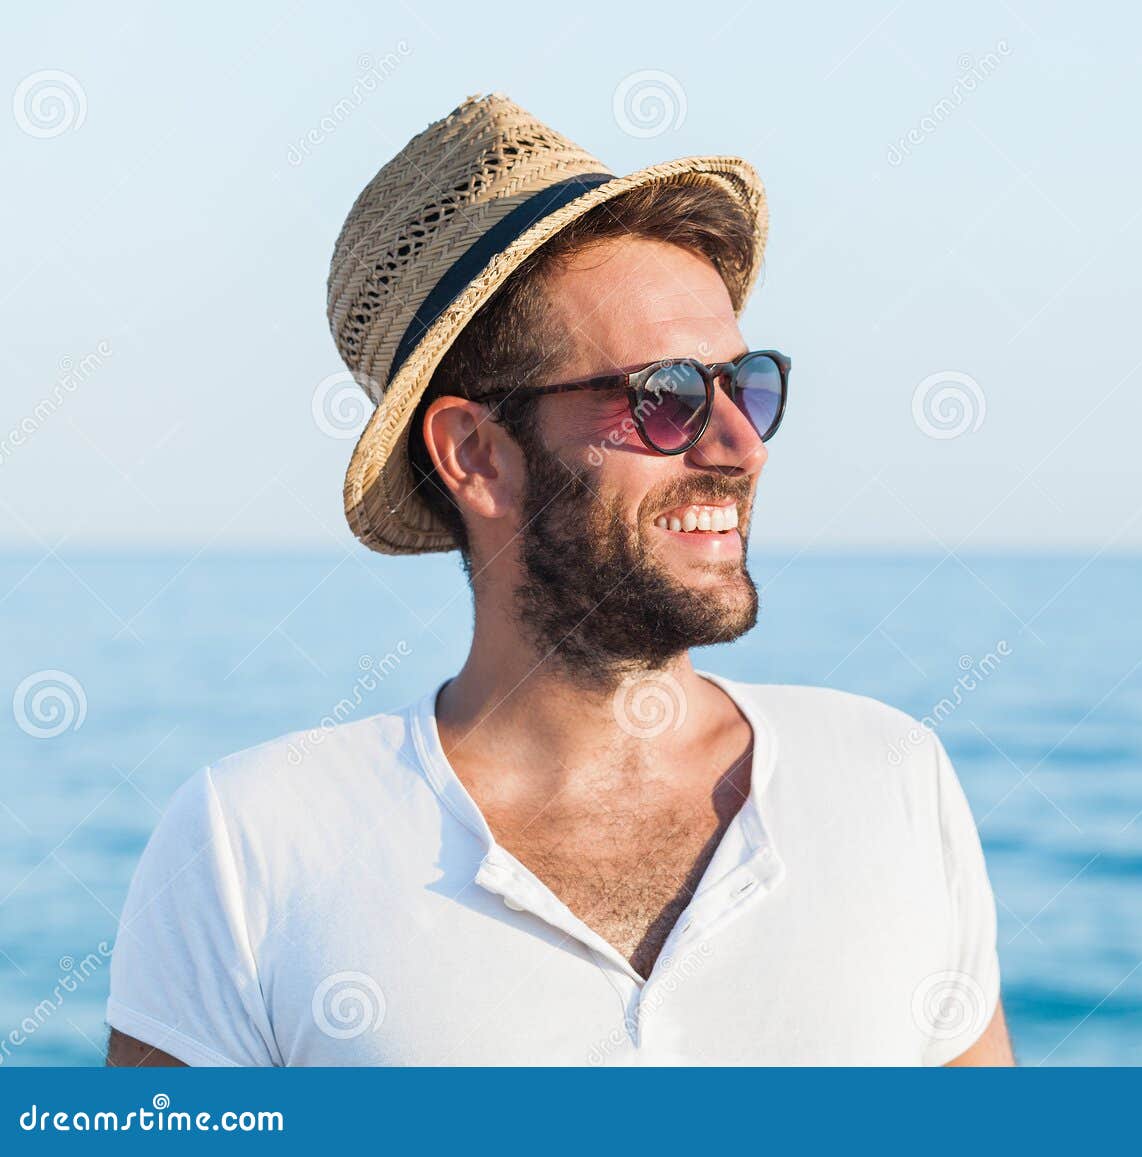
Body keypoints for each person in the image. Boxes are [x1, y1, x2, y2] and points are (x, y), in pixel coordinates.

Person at [106, 94, 1010, 1066]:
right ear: (476, 454)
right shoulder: (252, 845)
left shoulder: (890, 781)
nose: (741, 445)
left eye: (744, 384)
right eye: (666, 396)